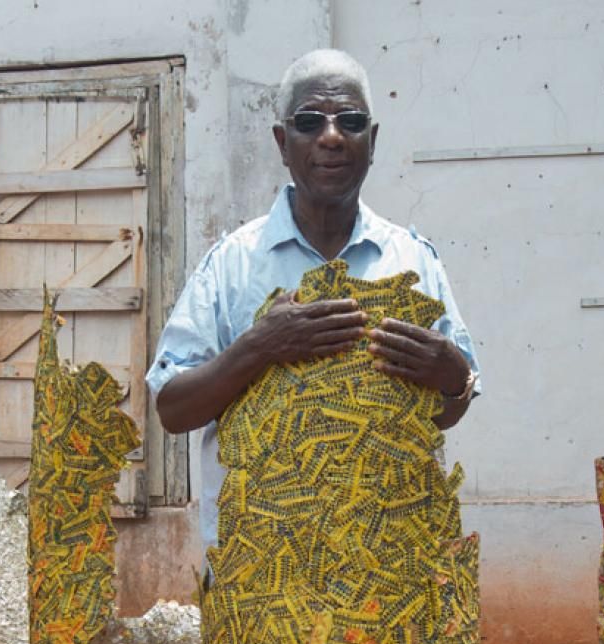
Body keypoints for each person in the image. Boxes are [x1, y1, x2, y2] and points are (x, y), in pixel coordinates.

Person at [145, 48, 481, 551]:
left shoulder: (412, 264)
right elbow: (172, 410)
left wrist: (454, 378)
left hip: (385, 578)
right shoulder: (233, 265)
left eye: (350, 121)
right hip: (261, 579)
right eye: (309, 122)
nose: (331, 137)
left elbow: (443, 411)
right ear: (283, 142)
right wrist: (260, 346)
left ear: (372, 141)